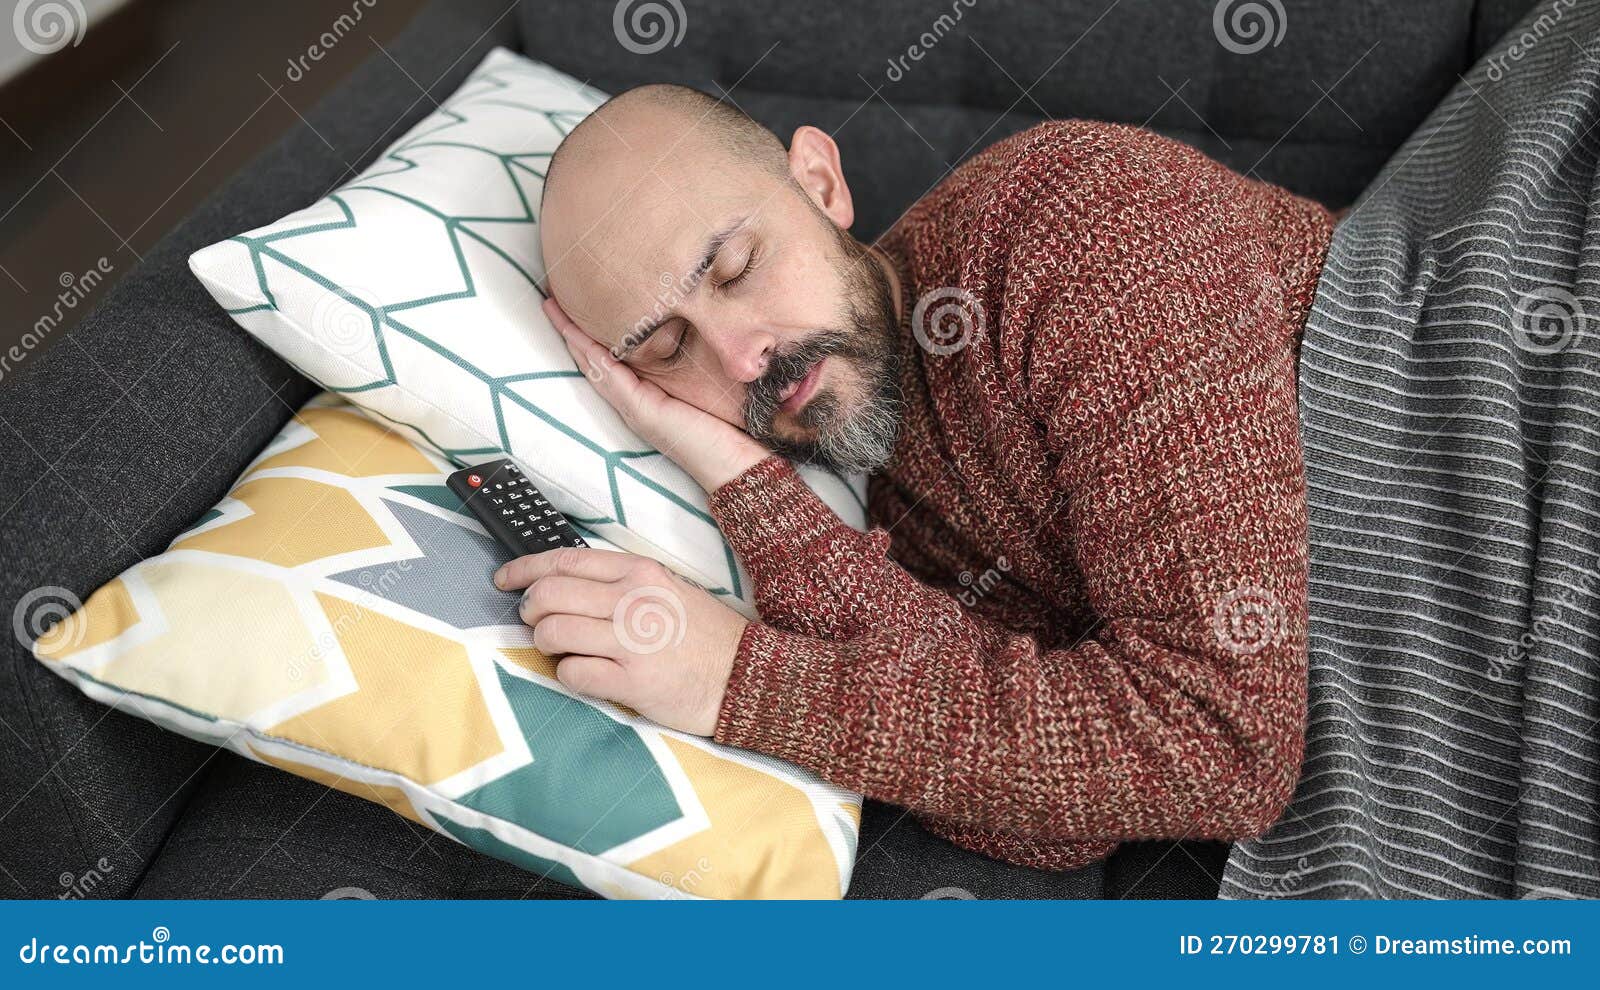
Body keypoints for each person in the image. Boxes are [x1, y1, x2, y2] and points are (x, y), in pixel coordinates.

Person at [493, 83, 1334, 870]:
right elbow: (1069, 827)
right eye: (669, 348)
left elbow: (1222, 742)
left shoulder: (1077, 224)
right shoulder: (880, 492)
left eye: (738, 267)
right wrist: (741, 480)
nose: (743, 357)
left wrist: (737, 680)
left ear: (821, 184)